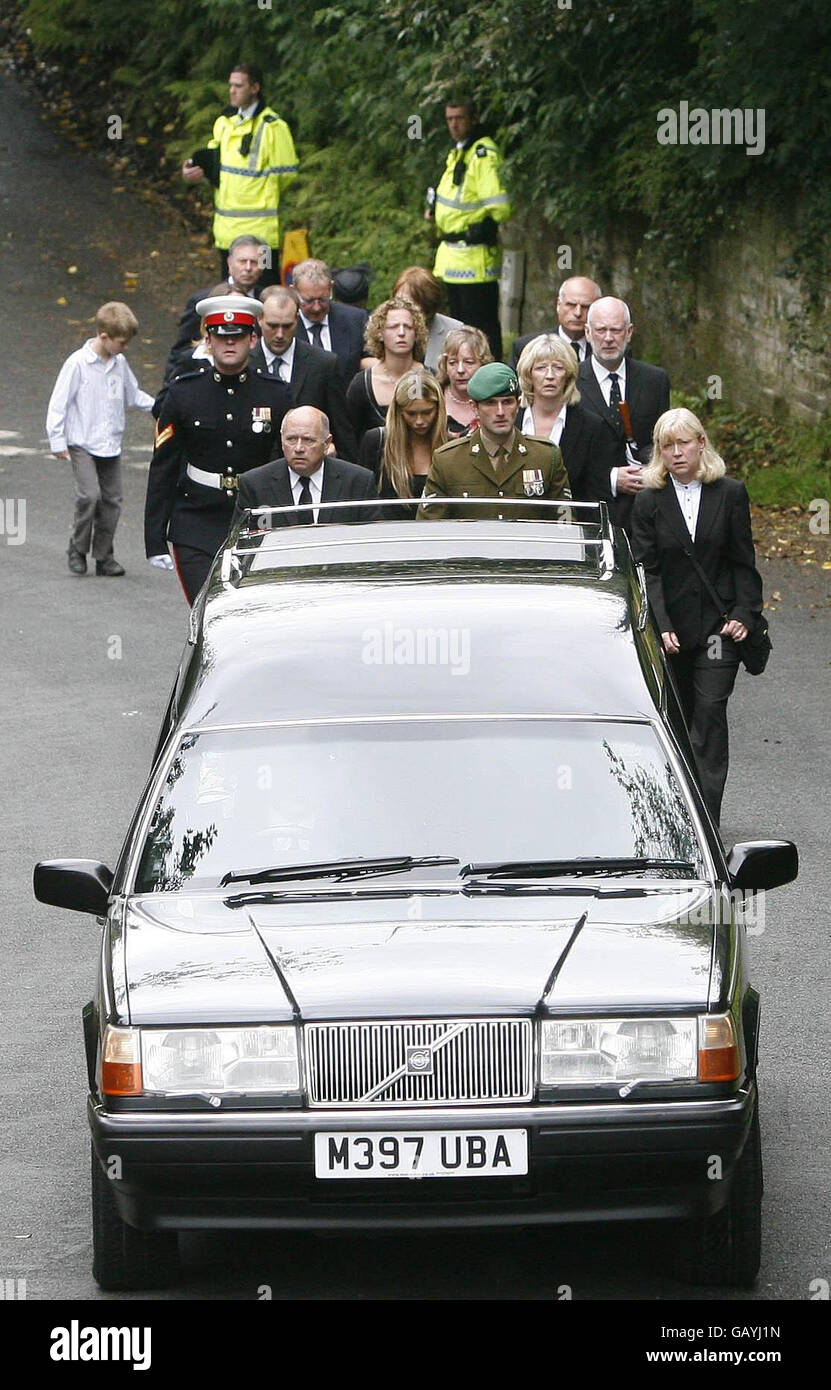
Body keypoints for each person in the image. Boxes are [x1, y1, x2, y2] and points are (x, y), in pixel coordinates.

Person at [631, 408, 764, 824]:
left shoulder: (730, 493)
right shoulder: (649, 501)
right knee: (677, 718)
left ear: (701, 444)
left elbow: (743, 561)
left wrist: (744, 612)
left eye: (683, 443)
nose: (676, 452)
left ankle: (707, 820)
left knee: (709, 715)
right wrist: (661, 623)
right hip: (672, 631)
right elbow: (646, 568)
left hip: (718, 630)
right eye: (667, 446)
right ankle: (675, 816)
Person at [144, 294, 292, 604]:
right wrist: (154, 537)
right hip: (195, 520)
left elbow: (285, 464)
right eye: (220, 336)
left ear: (253, 340)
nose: (229, 344)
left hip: (255, 518)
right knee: (207, 611)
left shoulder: (276, 393)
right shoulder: (183, 393)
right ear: (208, 341)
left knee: (249, 611)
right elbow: (163, 467)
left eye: (238, 336)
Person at [46, 301, 154, 576]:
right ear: (103, 337)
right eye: (121, 342)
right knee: (90, 495)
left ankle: (104, 555)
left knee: (112, 500)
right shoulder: (78, 364)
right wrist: (57, 440)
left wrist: (161, 407)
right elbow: (59, 403)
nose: (125, 347)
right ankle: (77, 548)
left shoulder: (119, 364)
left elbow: (133, 394)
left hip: (110, 444)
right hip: (82, 442)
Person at [181, 63, 297, 284]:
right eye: (230, 85)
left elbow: (286, 175)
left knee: (267, 295)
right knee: (231, 299)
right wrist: (192, 169)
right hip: (227, 232)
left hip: (262, 235)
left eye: (238, 86)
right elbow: (213, 162)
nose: (232, 91)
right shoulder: (225, 123)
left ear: (255, 88)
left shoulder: (273, 127)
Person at [418, 362, 569, 520]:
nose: (500, 412)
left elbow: (565, 526)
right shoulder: (447, 461)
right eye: (490, 403)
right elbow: (428, 528)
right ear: (474, 407)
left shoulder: (545, 456)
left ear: (518, 404)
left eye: (507, 402)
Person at [427, 96, 511, 360]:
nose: (453, 124)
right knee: (459, 328)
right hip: (453, 255)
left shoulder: (482, 153)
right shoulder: (459, 151)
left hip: (474, 258)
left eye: (459, 118)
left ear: (473, 119)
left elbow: (499, 203)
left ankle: (491, 378)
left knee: (481, 329)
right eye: (449, 119)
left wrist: (486, 223)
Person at [578, 296, 671, 531]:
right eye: (601, 330)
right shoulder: (571, 382)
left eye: (616, 330)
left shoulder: (655, 380)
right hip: (590, 507)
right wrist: (610, 478)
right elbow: (567, 453)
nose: (608, 338)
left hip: (645, 509)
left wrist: (650, 470)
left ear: (629, 332)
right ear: (588, 332)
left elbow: (661, 440)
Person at [249, 286, 359, 461]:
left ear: (297, 319)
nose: (279, 334)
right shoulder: (246, 364)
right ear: (260, 319)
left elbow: (342, 429)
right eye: (273, 326)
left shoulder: (323, 364)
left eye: (287, 326)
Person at [232, 406, 380, 529]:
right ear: (281, 441)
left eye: (308, 440)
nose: (298, 448)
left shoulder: (358, 482)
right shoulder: (255, 484)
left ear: (327, 443)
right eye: (291, 439)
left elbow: (372, 541)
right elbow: (240, 547)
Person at [515, 334, 616, 504]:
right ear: (528, 374)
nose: (550, 376)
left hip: (571, 525)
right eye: (540, 368)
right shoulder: (511, 421)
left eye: (558, 368)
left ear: (568, 375)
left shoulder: (591, 427)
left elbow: (598, 498)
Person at [162, 236, 266, 387]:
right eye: (242, 261)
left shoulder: (266, 301)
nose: (248, 268)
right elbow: (181, 350)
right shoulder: (203, 301)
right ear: (230, 263)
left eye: (254, 262)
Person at [358, 370, 448, 517]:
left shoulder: (451, 446)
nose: (419, 421)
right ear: (399, 411)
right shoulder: (377, 442)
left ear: (439, 410)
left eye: (427, 412)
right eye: (411, 413)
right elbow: (362, 499)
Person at [346, 297, 428, 442]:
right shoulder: (361, 384)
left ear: (416, 334)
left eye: (408, 327)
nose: (401, 333)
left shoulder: (431, 378)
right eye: (393, 327)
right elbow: (349, 436)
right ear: (380, 333)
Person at [292, 259, 370, 386]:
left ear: (331, 288)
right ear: (294, 291)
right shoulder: (283, 325)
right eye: (309, 300)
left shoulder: (355, 320)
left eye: (323, 299)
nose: (316, 307)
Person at [508, 275, 602, 370]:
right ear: (558, 304)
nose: (578, 313)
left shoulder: (606, 348)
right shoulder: (526, 346)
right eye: (571, 305)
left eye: (586, 307)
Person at [392, 266, 463, 372]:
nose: (401, 306)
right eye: (398, 300)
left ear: (426, 303)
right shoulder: (382, 328)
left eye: (409, 303)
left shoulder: (455, 331)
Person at [437, 326, 493, 437]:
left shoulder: (494, 400)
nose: (460, 370)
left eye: (469, 362)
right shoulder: (434, 399)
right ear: (445, 365)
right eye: (453, 363)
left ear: (483, 364)